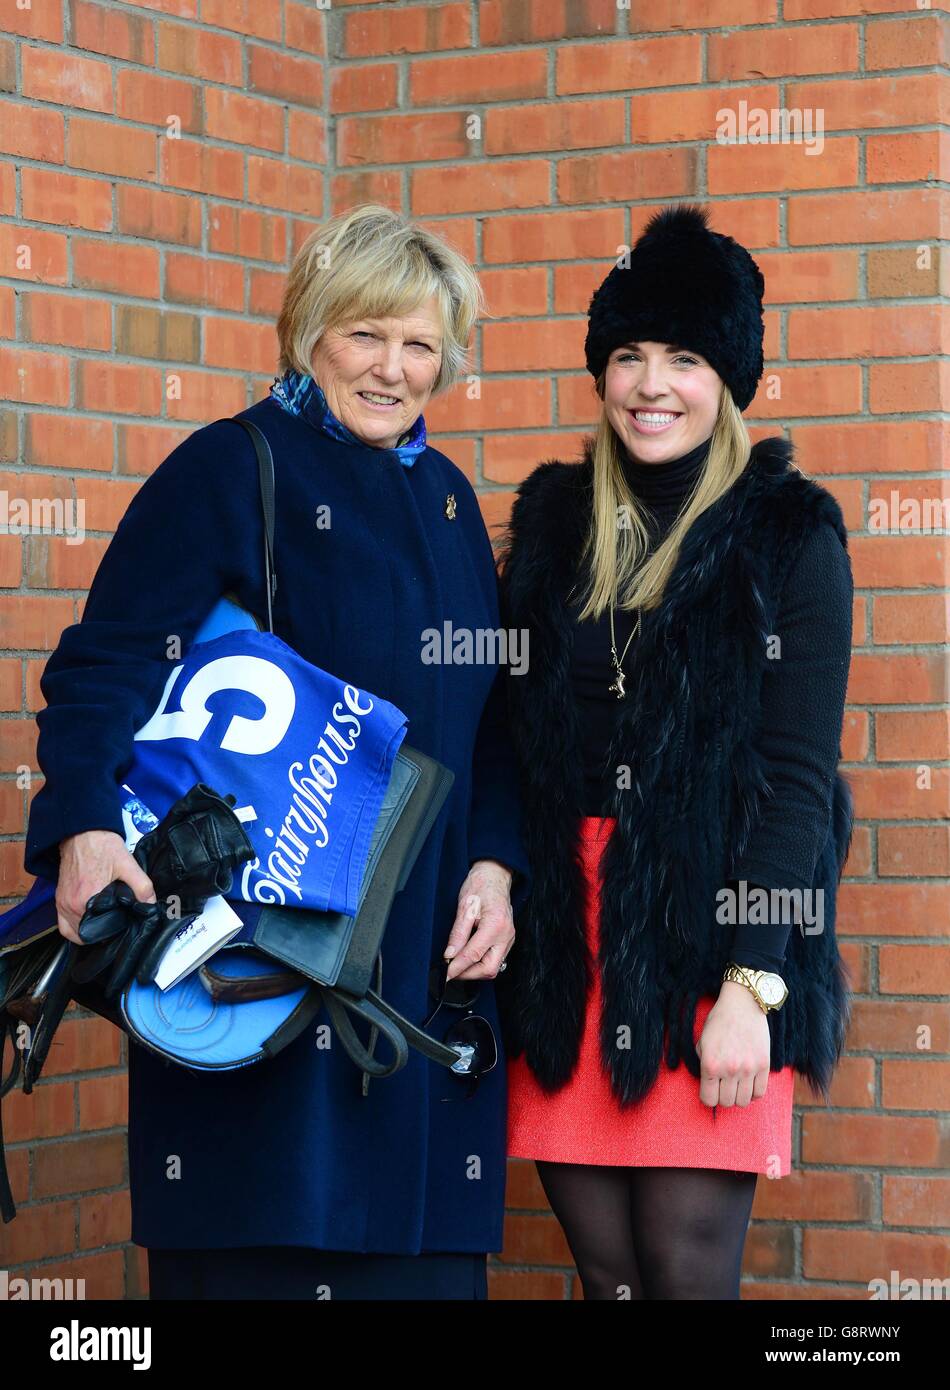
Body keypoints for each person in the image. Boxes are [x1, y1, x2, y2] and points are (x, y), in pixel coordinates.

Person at [24, 205, 527, 1300]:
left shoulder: (446, 499)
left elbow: (490, 717)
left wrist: (494, 862)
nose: (392, 369)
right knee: (258, 1256)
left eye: (420, 345)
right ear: (310, 330)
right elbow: (104, 663)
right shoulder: (228, 468)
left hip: (422, 973)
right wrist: (81, 823)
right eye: (366, 335)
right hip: (260, 960)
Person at [496, 204, 854, 1300]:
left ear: (728, 377)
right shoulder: (553, 520)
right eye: (628, 357)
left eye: (684, 358)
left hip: (711, 932)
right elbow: (511, 737)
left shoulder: (788, 533)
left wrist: (752, 984)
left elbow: (795, 783)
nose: (651, 384)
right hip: (572, 935)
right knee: (606, 1275)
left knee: (683, 1274)